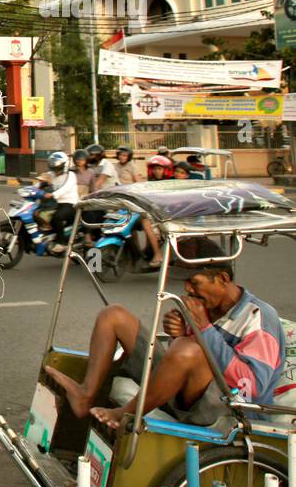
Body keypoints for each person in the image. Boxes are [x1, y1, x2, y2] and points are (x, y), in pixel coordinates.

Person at [45, 264, 284, 428]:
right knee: (113, 315)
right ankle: (85, 396)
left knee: (187, 349)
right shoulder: (208, 305)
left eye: (194, 282)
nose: (188, 290)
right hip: (184, 388)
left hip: (229, 409)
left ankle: (126, 415)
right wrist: (180, 333)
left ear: (222, 279)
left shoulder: (258, 317)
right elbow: (192, 354)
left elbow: (250, 387)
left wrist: (202, 329)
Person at [39, 152, 79, 253]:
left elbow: (65, 188)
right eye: (53, 168)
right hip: (55, 203)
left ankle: (60, 243)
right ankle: (49, 237)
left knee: (57, 217)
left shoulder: (71, 175)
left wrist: (53, 194)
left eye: (57, 168)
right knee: (39, 213)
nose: (55, 171)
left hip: (70, 203)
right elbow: (40, 180)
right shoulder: (51, 174)